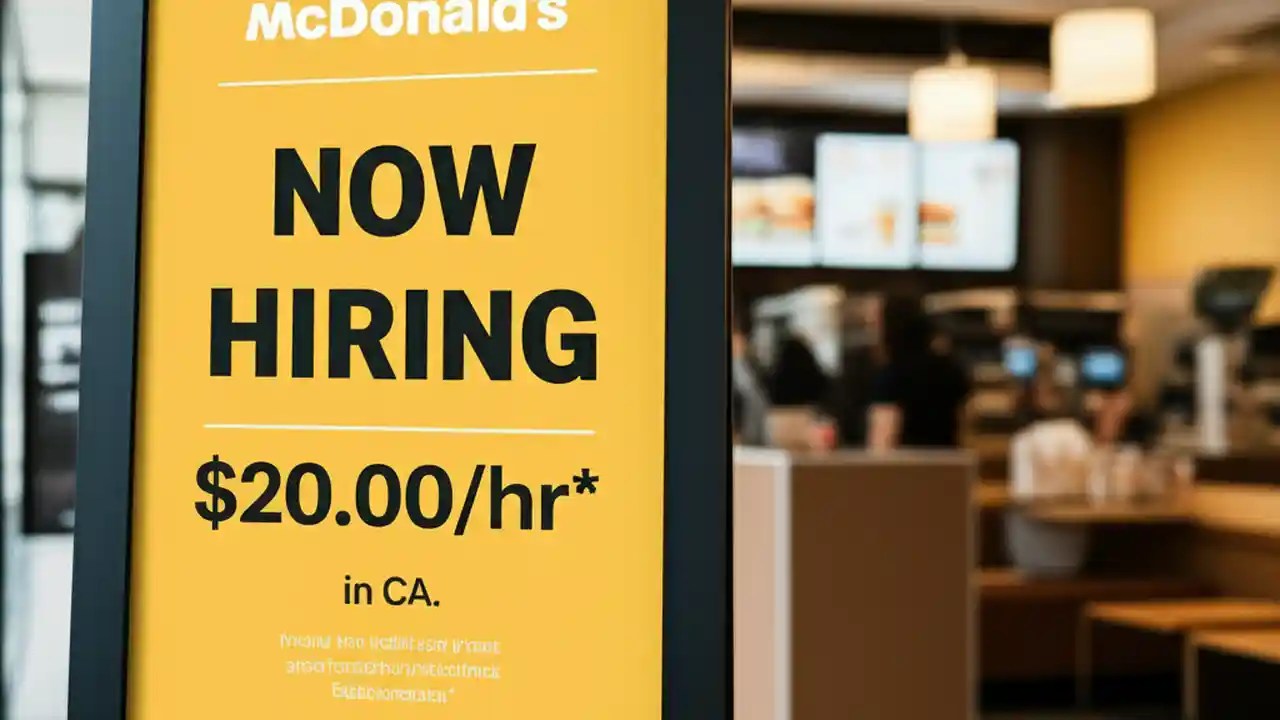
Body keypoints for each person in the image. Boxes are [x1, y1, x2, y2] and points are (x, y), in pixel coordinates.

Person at [866, 295, 971, 450]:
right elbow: (965, 424)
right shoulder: (950, 369)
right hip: (946, 464)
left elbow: (883, 440)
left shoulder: (891, 376)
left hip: (906, 468)